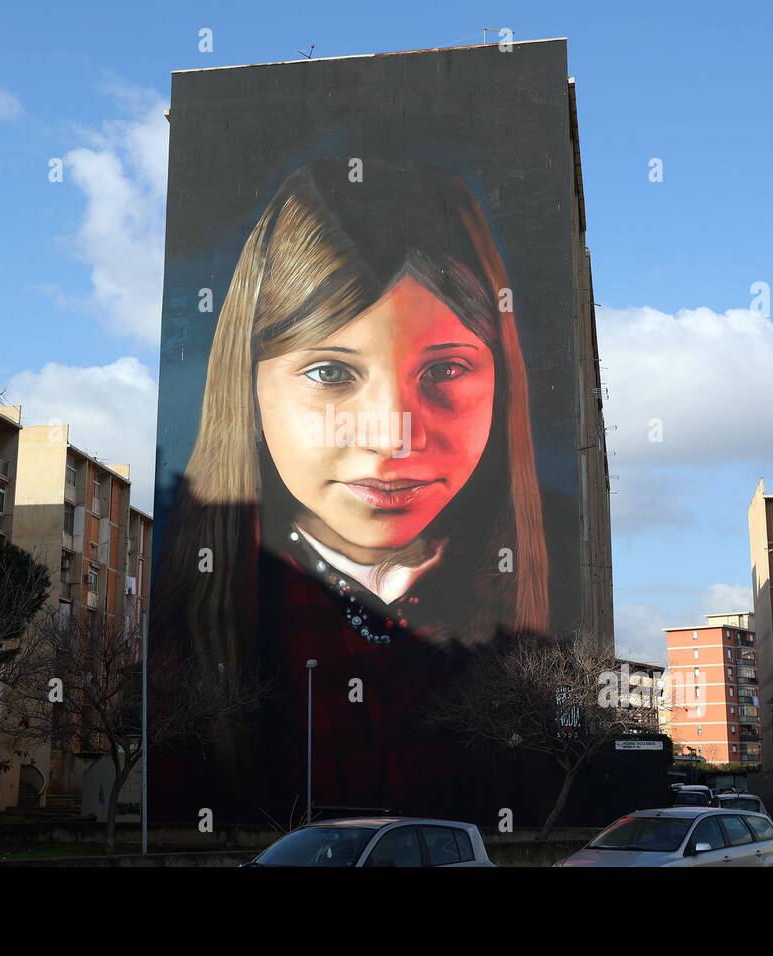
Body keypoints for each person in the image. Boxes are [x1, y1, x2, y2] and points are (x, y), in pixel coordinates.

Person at [152, 158, 573, 821]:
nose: (390, 437)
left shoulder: (551, 578)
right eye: (329, 371)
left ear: (505, 380)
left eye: (446, 369)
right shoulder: (194, 619)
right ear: (248, 387)